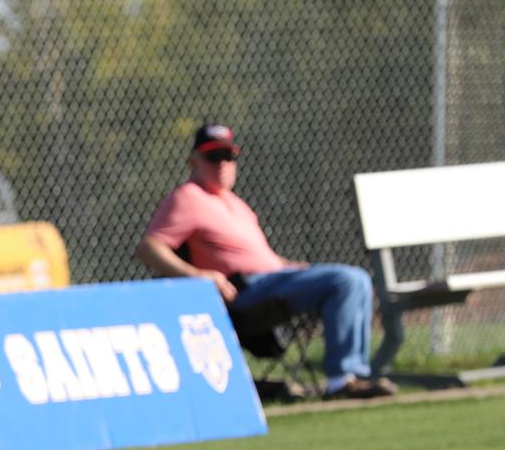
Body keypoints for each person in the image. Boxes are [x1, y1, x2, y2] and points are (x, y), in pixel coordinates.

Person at [135, 123, 396, 400]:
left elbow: (261, 258)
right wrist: (197, 274)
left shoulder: (236, 203)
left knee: (356, 279)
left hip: (274, 281)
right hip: (244, 292)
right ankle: (342, 380)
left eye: (229, 156)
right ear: (193, 161)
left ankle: (350, 376)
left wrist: (290, 267)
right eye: (212, 157)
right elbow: (149, 247)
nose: (222, 164)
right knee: (347, 279)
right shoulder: (187, 198)